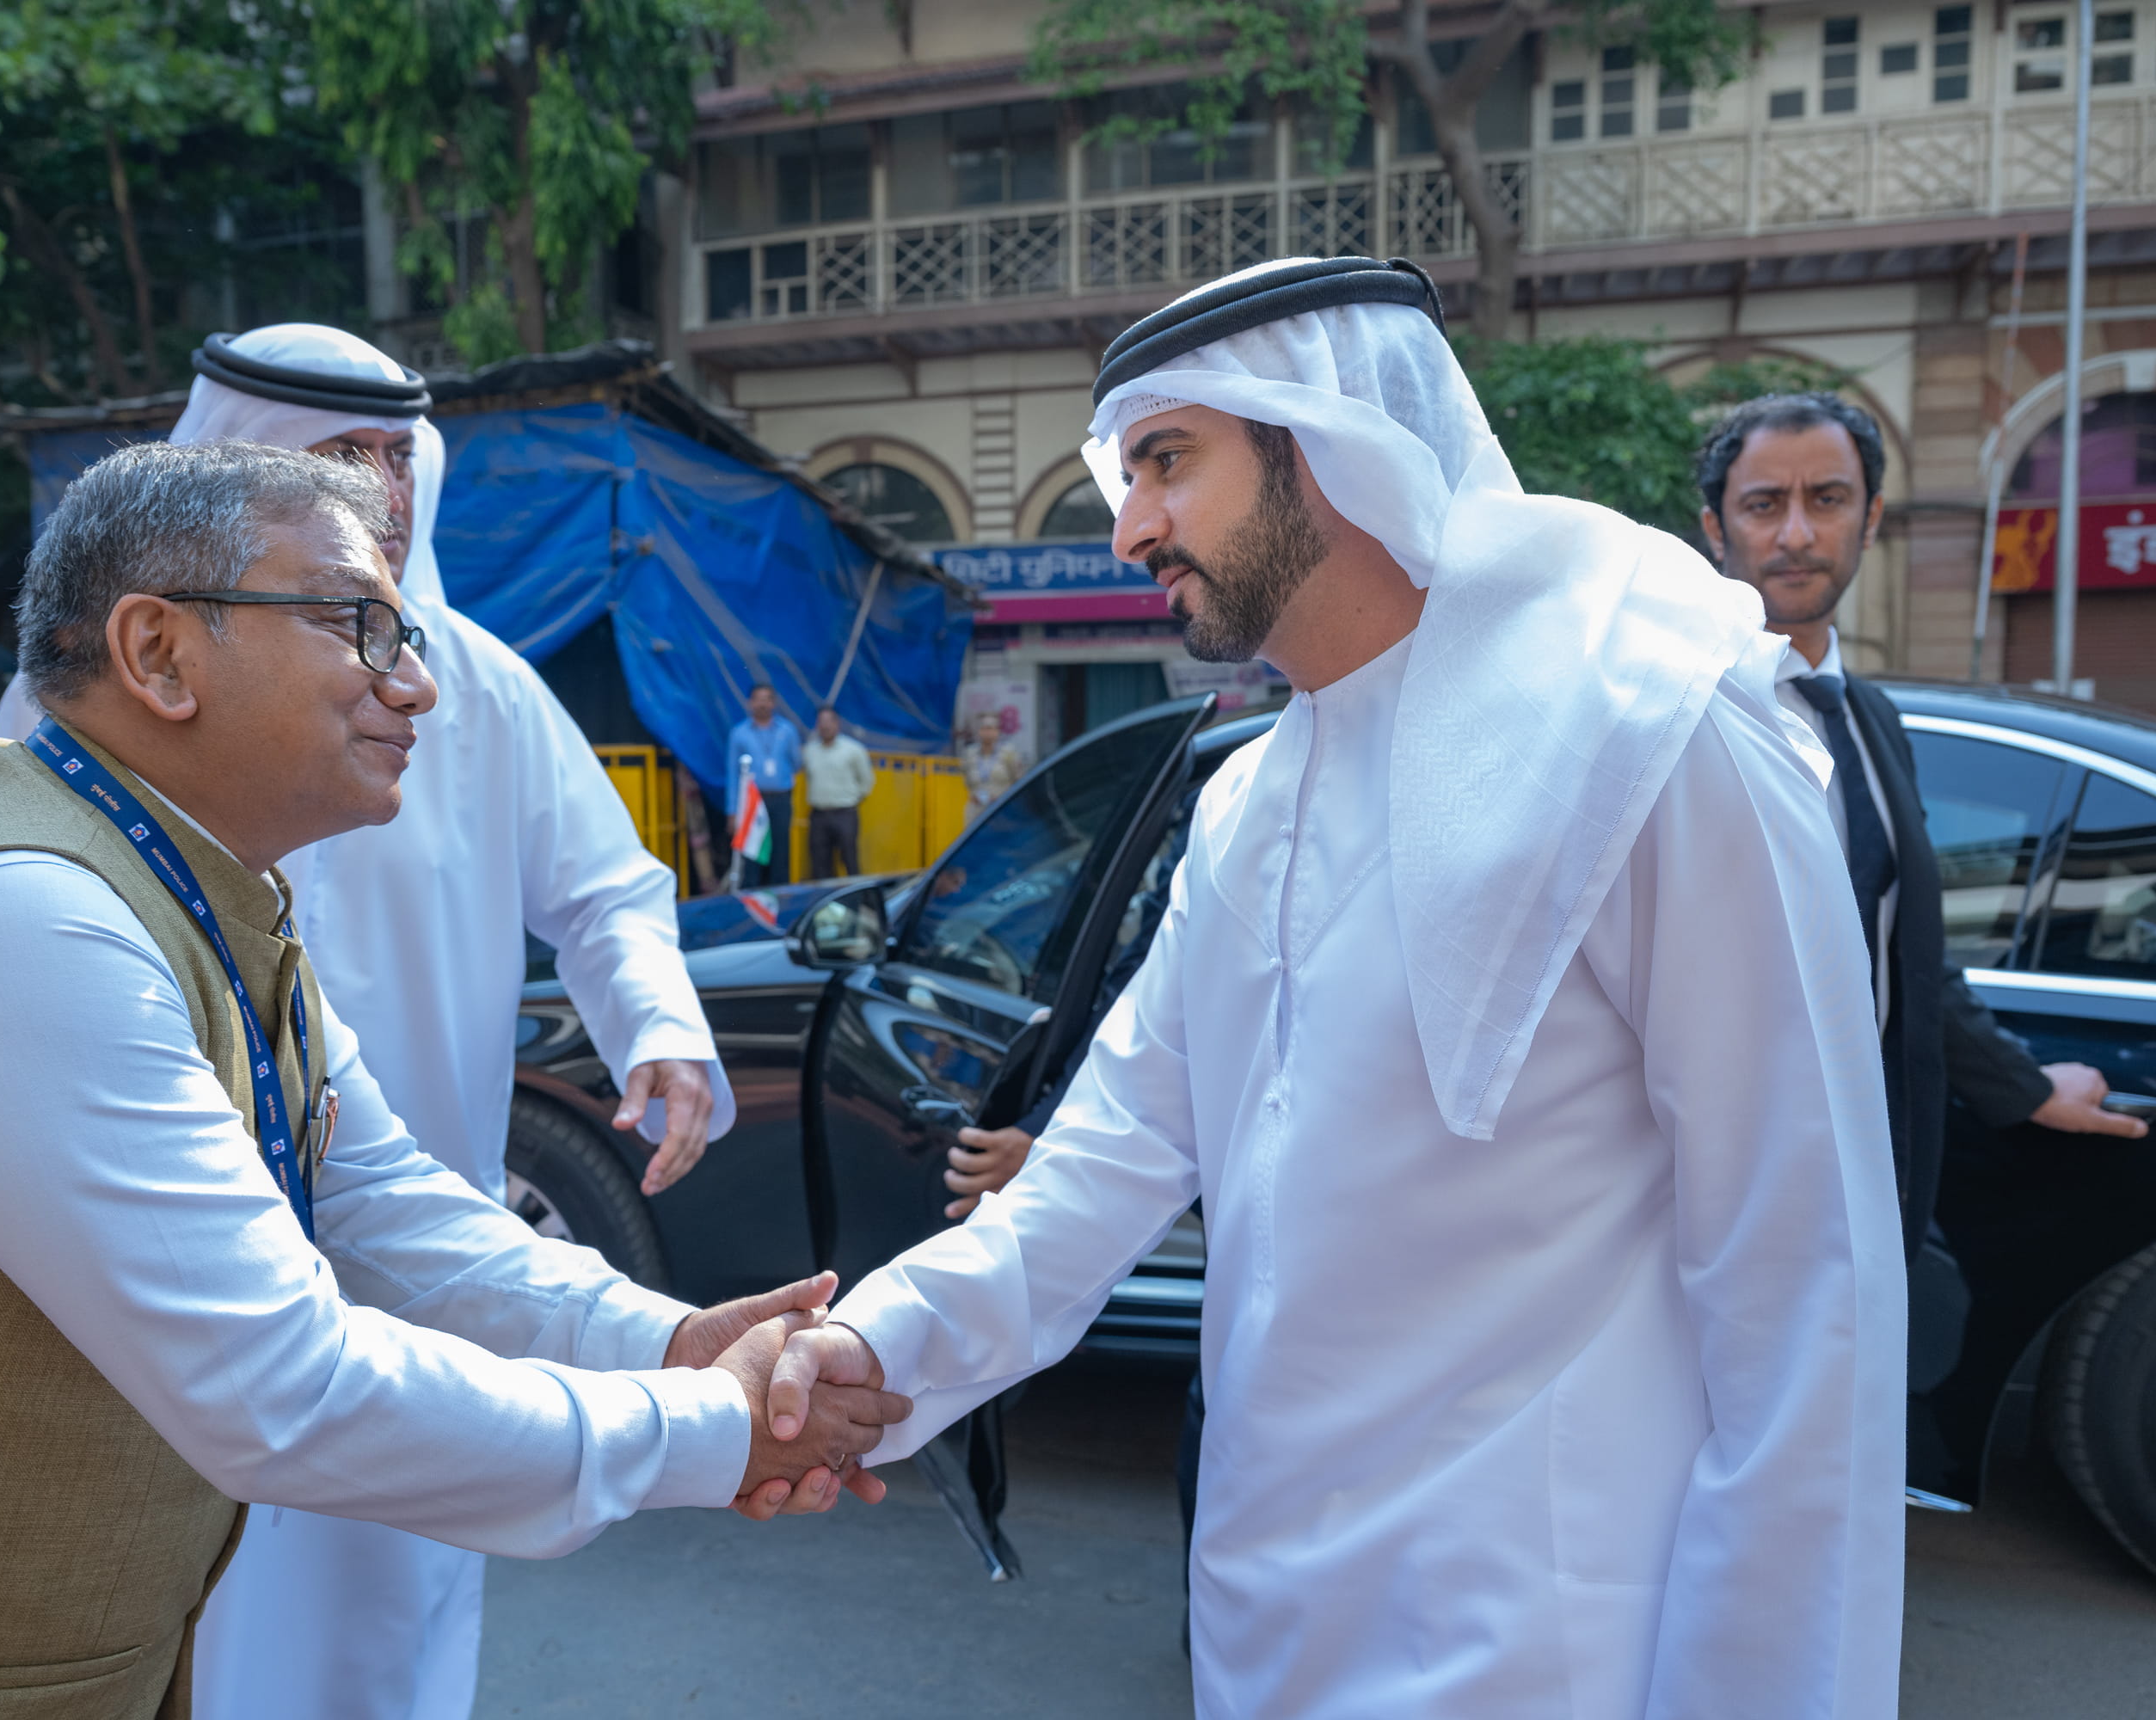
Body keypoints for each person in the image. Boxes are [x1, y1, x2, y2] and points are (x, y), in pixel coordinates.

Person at [759, 257, 1907, 1717]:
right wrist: (870, 1354)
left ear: (1326, 436)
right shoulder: (1246, 805)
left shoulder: (1652, 735)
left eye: (1167, 461)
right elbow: (1098, 1170)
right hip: (1263, 1617)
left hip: (1550, 1643)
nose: (1131, 526)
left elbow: (1805, 1292)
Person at [0, 439, 901, 1718]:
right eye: (360, 626)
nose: (421, 690)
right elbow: (285, 1388)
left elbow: (388, 1203)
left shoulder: (198, 892)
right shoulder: (18, 924)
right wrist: (711, 1430)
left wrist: (666, 1340)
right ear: (158, 652)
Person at [0, 322, 741, 1720]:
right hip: (166, 1256)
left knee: (387, 1630)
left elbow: (606, 893)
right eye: (341, 457)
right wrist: (708, 1416)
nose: (383, 492)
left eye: (399, 458)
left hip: (413, 1238)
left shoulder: (483, 686)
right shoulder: (81, 725)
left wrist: (658, 1026)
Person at [1698, 392, 2149, 1263]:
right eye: (1764, 504)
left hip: (1868, 1162)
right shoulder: (1677, 716)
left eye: (1826, 499)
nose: (1795, 533)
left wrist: (2019, 1085)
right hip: (1716, 1173)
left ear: (1869, 520)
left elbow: (1905, 946)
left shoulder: (1871, 719)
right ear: (1716, 528)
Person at [724, 681, 800, 886]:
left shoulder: (788, 730)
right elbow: (733, 774)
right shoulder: (739, 733)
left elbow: (796, 763)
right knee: (752, 852)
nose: (762, 704)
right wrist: (732, 811)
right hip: (752, 801)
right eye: (758, 700)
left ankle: (782, 900)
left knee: (781, 851)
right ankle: (751, 902)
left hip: (781, 799)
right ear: (750, 703)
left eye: (767, 699)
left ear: (774, 703)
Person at [802, 703, 874, 880]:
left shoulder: (853, 750)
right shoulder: (810, 751)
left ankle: (857, 902)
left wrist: (853, 799)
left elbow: (867, 781)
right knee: (820, 864)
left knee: (849, 860)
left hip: (845, 814)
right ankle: (823, 903)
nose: (825, 726)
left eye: (829, 721)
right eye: (821, 722)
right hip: (818, 815)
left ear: (837, 723)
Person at [961, 710, 1023, 809]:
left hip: (1000, 810)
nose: (987, 732)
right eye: (983, 729)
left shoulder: (1008, 753)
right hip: (976, 809)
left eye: (990, 729)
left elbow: (1018, 780)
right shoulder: (970, 754)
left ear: (997, 731)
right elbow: (967, 780)